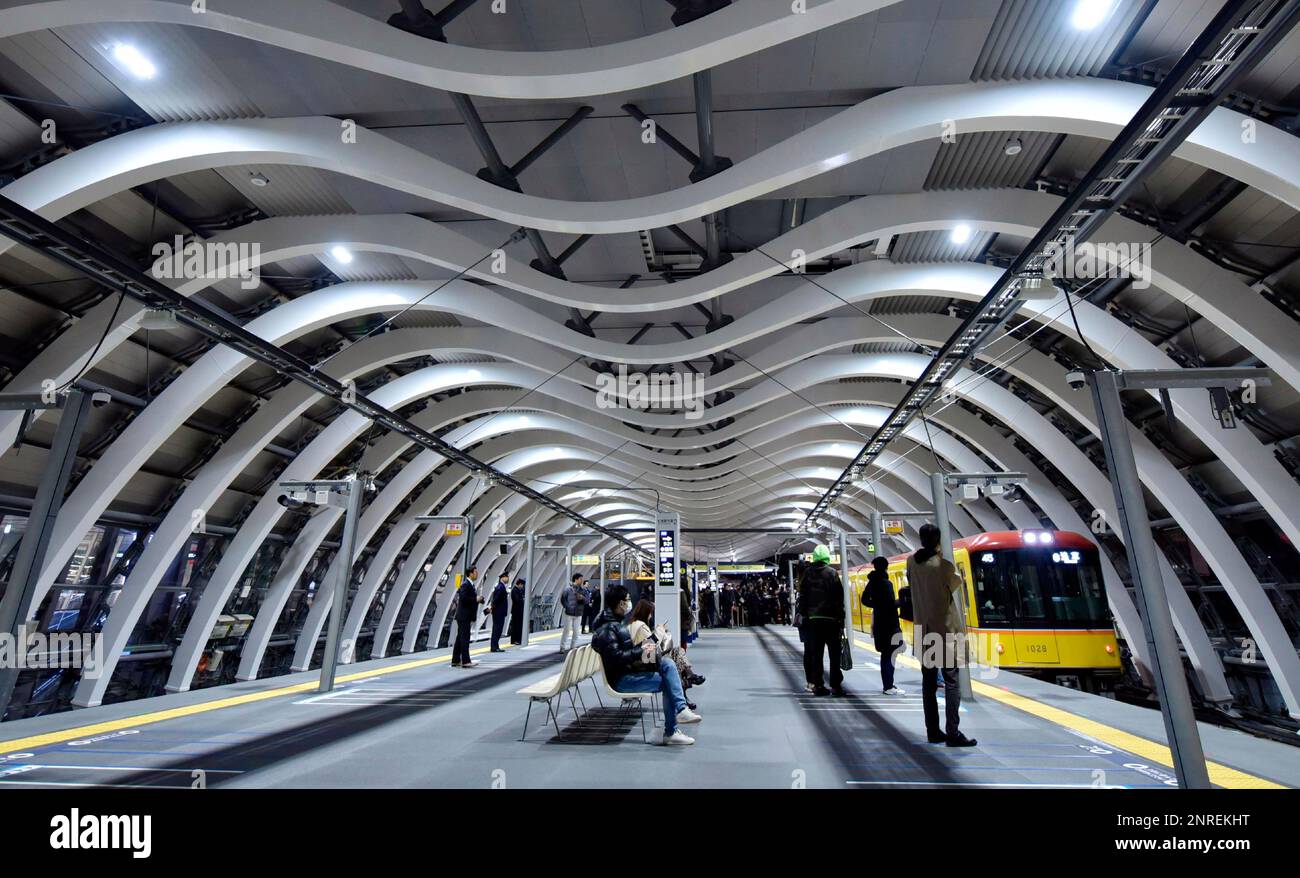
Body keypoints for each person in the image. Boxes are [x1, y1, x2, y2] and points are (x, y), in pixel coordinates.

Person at [590, 584, 701, 746]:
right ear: (620, 603)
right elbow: (618, 658)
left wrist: (648, 644)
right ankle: (673, 727)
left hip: (627, 673)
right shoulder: (608, 630)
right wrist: (646, 645)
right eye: (627, 600)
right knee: (669, 681)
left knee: (668, 664)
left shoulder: (614, 625)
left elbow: (625, 654)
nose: (629, 604)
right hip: (621, 680)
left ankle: (680, 712)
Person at [908, 524, 976, 747]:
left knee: (928, 683)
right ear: (938, 540)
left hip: (923, 629)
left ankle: (933, 731)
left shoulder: (912, 563)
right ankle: (953, 732)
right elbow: (955, 584)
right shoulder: (943, 565)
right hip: (945, 630)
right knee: (951, 681)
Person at [627, 599, 705, 703]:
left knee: (676, 654)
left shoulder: (634, 624)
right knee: (675, 657)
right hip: (645, 662)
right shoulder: (641, 627)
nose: (651, 616)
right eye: (650, 614)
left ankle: (687, 681)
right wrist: (660, 634)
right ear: (645, 613)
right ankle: (687, 682)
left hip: (644, 658)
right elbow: (649, 648)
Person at [797, 544, 845, 696]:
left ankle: (818, 686)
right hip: (831, 621)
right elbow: (839, 598)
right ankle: (836, 686)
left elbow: (803, 597)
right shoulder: (832, 573)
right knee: (834, 655)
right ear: (826, 557)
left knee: (816, 655)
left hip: (813, 621)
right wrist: (841, 618)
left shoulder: (807, 574)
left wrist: (805, 615)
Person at [862, 556, 905, 696]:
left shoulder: (872, 582)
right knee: (890, 655)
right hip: (890, 625)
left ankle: (888, 684)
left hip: (879, 624)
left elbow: (864, 600)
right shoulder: (886, 583)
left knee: (885, 655)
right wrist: (901, 602)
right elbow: (890, 605)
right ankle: (888, 686)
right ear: (886, 567)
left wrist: (876, 605)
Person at [451, 565, 483, 668]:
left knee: (460, 638)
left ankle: (455, 660)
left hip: (464, 616)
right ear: (471, 573)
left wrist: (478, 599)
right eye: (475, 572)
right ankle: (466, 661)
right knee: (465, 639)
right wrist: (475, 599)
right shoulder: (466, 585)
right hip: (464, 616)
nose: (477, 574)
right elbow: (464, 599)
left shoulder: (470, 585)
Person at [559, 572, 588, 652]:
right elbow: (563, 599)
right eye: (581, 579)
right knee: (567, 630)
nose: (582, 581)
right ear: (576, 579)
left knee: (576, 631)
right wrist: (567, 607)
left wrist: (582, 598)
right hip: (569, 613)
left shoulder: (583, 590)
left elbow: (587, 601)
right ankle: (562, 647)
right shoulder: (567, 589)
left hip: (578, 613)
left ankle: (573, 647)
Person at [487, 572, 509, 653]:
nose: (508, 578)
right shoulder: (501, 587)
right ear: (502, 578)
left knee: (496, 629)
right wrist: (492, 607)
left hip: (498, 612)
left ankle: (495, 646)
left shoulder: (501, 586)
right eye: (507, 577)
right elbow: (496, 599)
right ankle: (494, 647)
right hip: (499, 612)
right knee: (497, 629)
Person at [509, 577, 526, 645]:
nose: (522, 587)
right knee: (516, 626)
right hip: (516, 611)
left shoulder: (517, 590)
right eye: (522, 585)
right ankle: (516, 640)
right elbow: (516, 600)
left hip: (518, 611)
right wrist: (522, 599)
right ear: (519, 584)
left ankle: (517, 639)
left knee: (518, 626)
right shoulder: (515, 590)